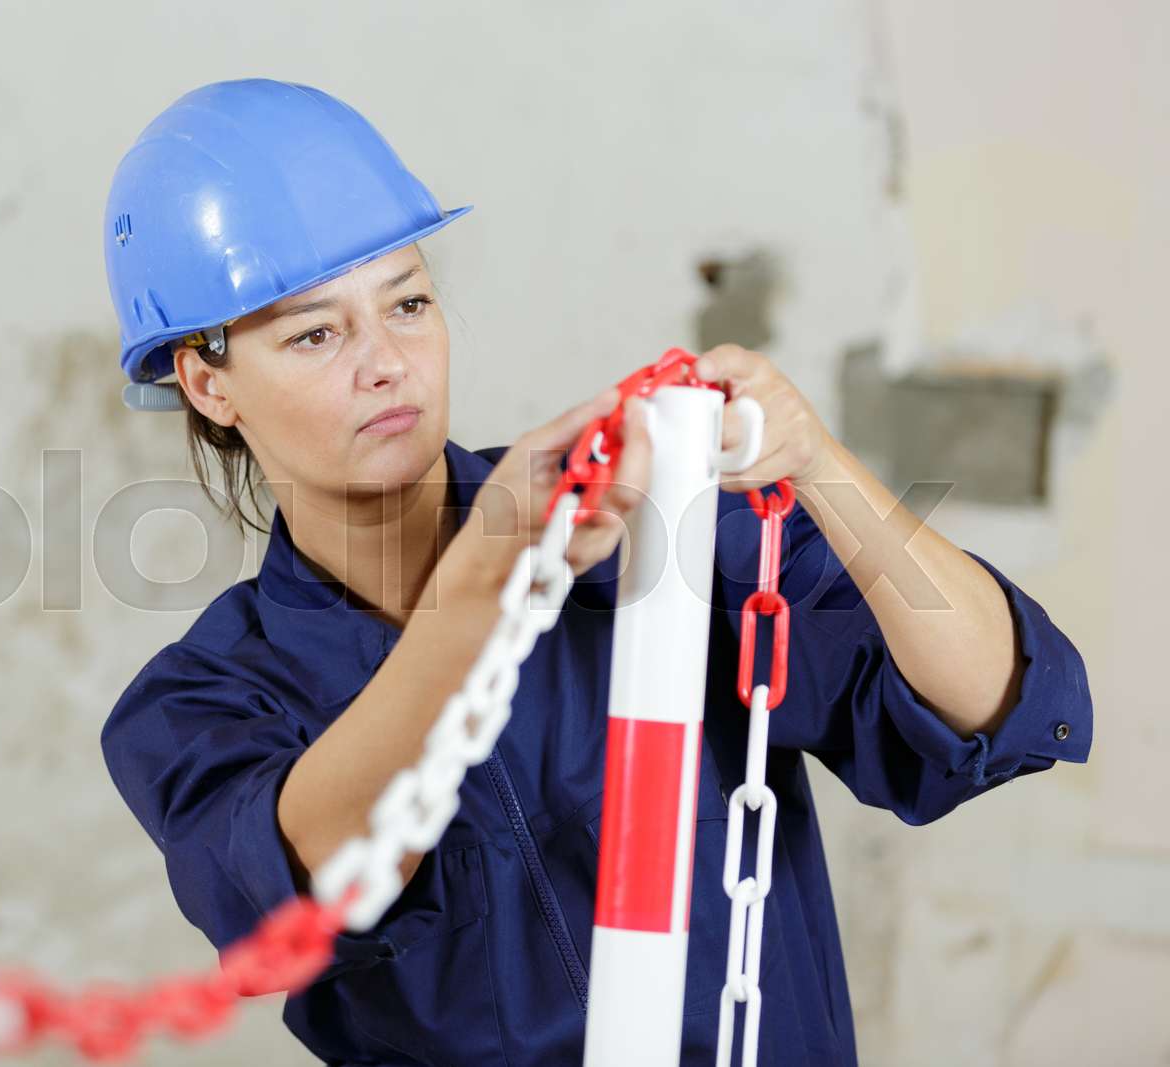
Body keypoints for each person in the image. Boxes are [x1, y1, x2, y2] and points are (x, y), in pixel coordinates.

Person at [98, 79, 1093, 1066]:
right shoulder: (201, 703)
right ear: (208, 381)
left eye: (408, 302)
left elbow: (989, 698)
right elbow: (308, 888)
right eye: (315, 332)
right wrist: (481, 578)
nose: (387, 361)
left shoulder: (663, 536)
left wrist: (820, 463)